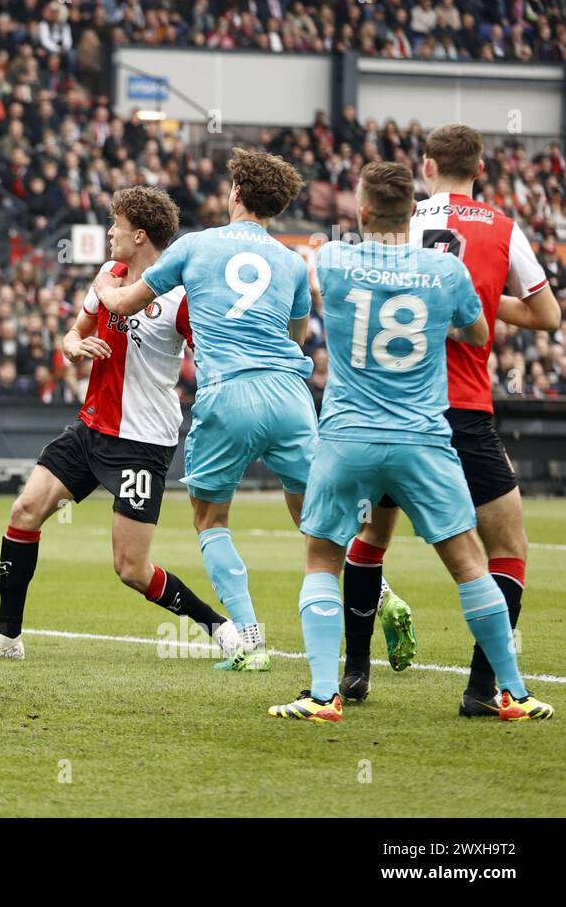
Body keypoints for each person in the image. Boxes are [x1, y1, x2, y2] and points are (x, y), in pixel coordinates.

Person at [93, 150, 420, 672]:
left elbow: (125, 304)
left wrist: (106, 288)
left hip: (229, 395)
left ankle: (249, 641)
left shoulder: (196, 246)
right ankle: (385, 597)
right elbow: (298, 336)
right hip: (290, 396)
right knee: (314, 517)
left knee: (210, 518)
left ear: (237, 195)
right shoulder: (292, 261)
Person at [274, 162, 552, 723]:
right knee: (471, 563)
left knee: (323, 557)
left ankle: (326, 694)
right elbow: (477, 334)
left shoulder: (332, 261)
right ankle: (513, 694)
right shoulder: (445, 272)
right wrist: (438, 323)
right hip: (423, 437)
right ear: (410, 213)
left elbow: (311, 300)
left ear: (365, 211)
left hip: (349, 435)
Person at [0, 187, 240, 662]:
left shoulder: (181, 295)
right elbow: (72, 333)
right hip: (91, 429)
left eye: (116, 226)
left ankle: (218, 626)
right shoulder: (108, 273)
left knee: (131, 568)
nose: (109, 233)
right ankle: (7, 637)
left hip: (142, 442)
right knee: (24, 512)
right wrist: (73, 347)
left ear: (139, 235)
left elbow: (208, 353)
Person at [342, 124, 562, 712]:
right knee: (507, 545)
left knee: (369, 538)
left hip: (390, 404)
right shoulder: (503, 227)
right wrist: (483, 305)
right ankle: (483, 690)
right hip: (463, 406)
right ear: (481, 168)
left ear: (428, 167)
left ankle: (355, 673)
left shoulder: (402, 218)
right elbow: (547, 316)